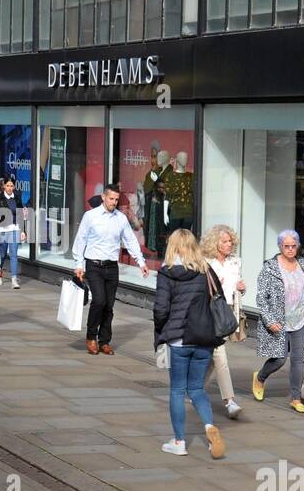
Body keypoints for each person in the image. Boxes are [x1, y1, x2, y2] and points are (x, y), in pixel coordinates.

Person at [153, 229, 225, 459]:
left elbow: (161, 309)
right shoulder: (205, 270)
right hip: (203, 338)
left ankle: (179, 442)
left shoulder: (166, 273)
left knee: (177, 390)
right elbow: (218, 297)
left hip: (179, 339)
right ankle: (208, 427)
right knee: (197, 389)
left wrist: (161, 329)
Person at [252, 229, 304, 413]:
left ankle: (295, 397)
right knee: (279, 359)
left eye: (294, 246)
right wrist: (269, 321)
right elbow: (262, 298)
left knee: (298, 360)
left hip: (301, 320)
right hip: (279, 321)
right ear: (280, 246)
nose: (291, 249)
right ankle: (260, 377)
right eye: (287, 246)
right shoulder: (270, 268)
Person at [72, 182, 150, 356]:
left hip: (111, 267)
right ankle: (91, 336)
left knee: (109, 305)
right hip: (93, 264)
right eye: (111, 199)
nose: (114, 202)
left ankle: (104, 340)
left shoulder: (121, 219)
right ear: (103, 197)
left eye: (116, 199)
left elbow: (130, 241)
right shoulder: (90, 216)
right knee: (99, 300)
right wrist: (78, 264)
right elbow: (81, 240)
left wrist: (141, 262)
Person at [200, 224, 246, 419]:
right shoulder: (205, 262)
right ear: (214, 243)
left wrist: (242, 288)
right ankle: (230, 401)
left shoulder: (235, 262)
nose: (229, 244)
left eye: (230, 241)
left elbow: (237, 289)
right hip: (210, 312)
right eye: (224, 241)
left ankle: (195, 389)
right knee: (220, 355)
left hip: (227, 312)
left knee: (212, 356)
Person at [0, 177, 26, 289]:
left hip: (15, 229)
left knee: (13, 255)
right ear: (4, 186)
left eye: (11, 186)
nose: (10, 188)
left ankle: (14, 280)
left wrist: (22, 231)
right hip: (2, 229)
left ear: (14, 187)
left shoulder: (17, 198)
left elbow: (21, 215)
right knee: (1, 255)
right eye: (7, 186)